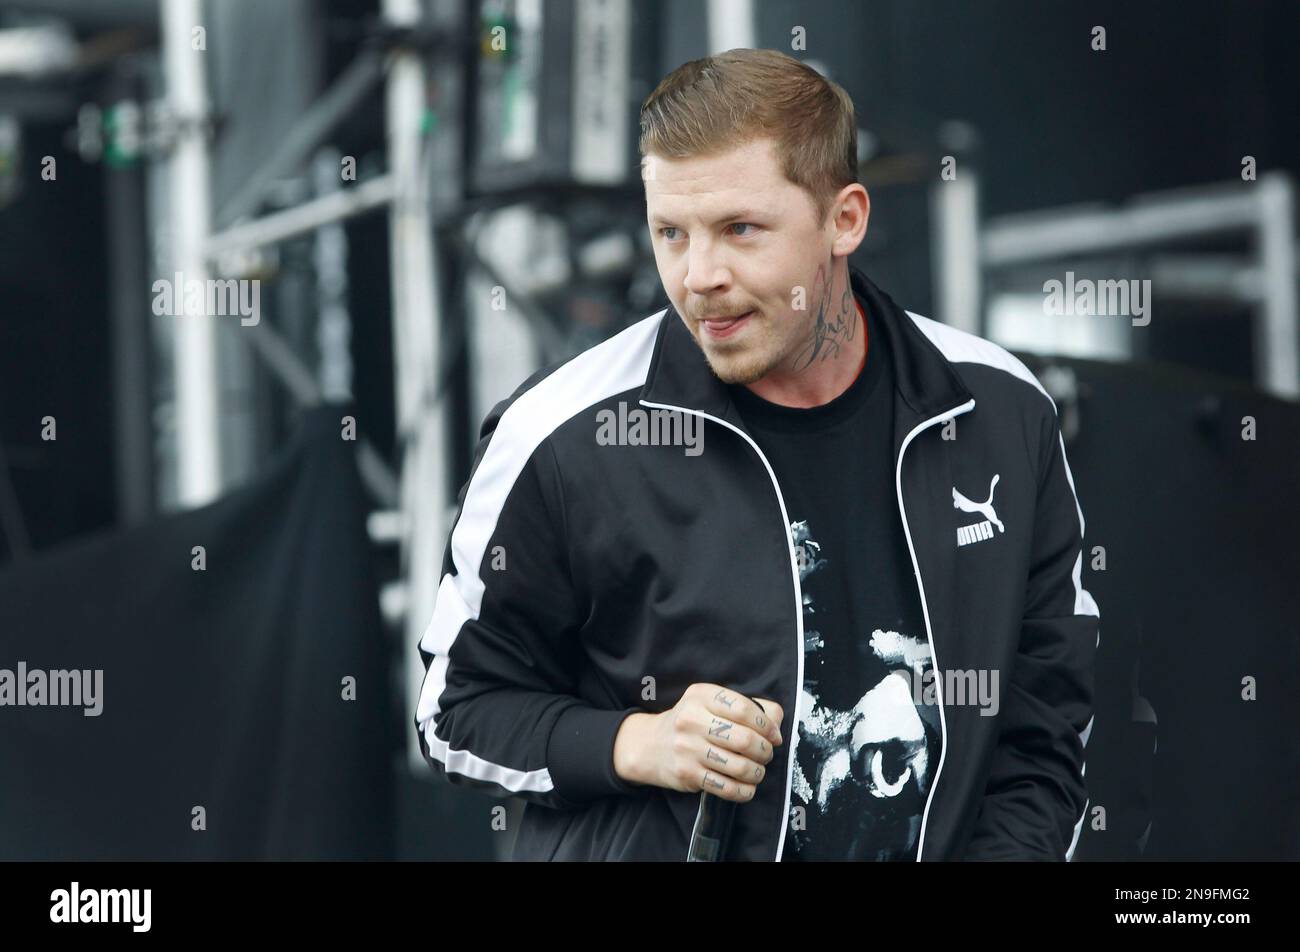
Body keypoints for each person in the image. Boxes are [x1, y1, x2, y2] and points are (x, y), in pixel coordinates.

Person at [414, 48, 1099, 861]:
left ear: (845, 219)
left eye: (740, 229)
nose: (699, 275)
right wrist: (636, 743)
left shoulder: (998, 412)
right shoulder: (560, 432)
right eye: (671, 232)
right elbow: (451, 711)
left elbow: (1044, 734)